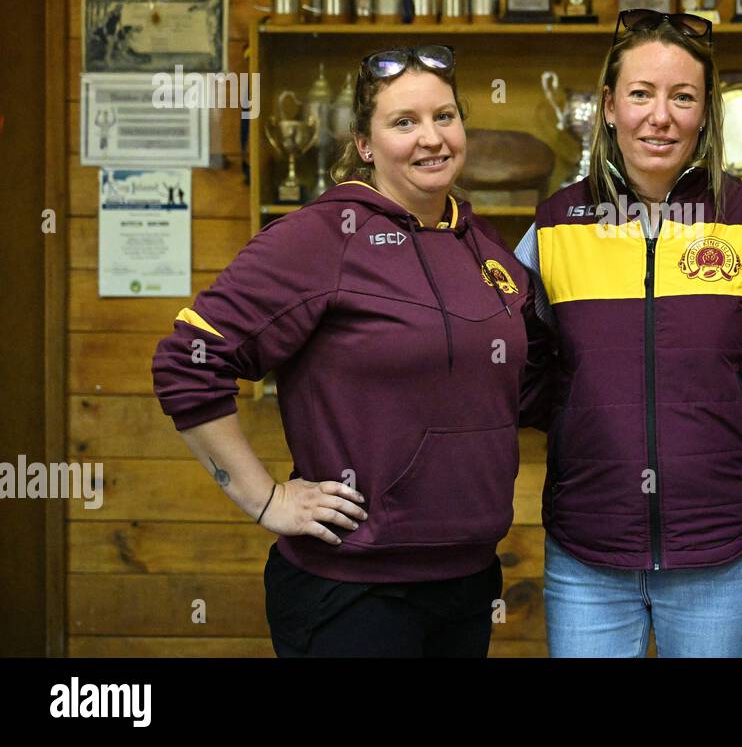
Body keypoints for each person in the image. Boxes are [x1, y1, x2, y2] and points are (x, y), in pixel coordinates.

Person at [152, 43, 552, 657]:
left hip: (468, 580)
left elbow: (524, 392)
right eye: (404, 122)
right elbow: (189, 360)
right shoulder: (321, 237)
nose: (432, 138)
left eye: (445, 117)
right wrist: (265, 500)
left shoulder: (488, 252)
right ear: (365, 144)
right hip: (352, 593)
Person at [513, 9, 742, 657]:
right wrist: (581, 425)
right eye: (641, 94)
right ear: (609, 106)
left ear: (706, 113)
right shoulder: (558, 224)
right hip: (590, 550)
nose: (660, 116)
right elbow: (519, 365)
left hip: (722, 551)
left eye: (683, 98)